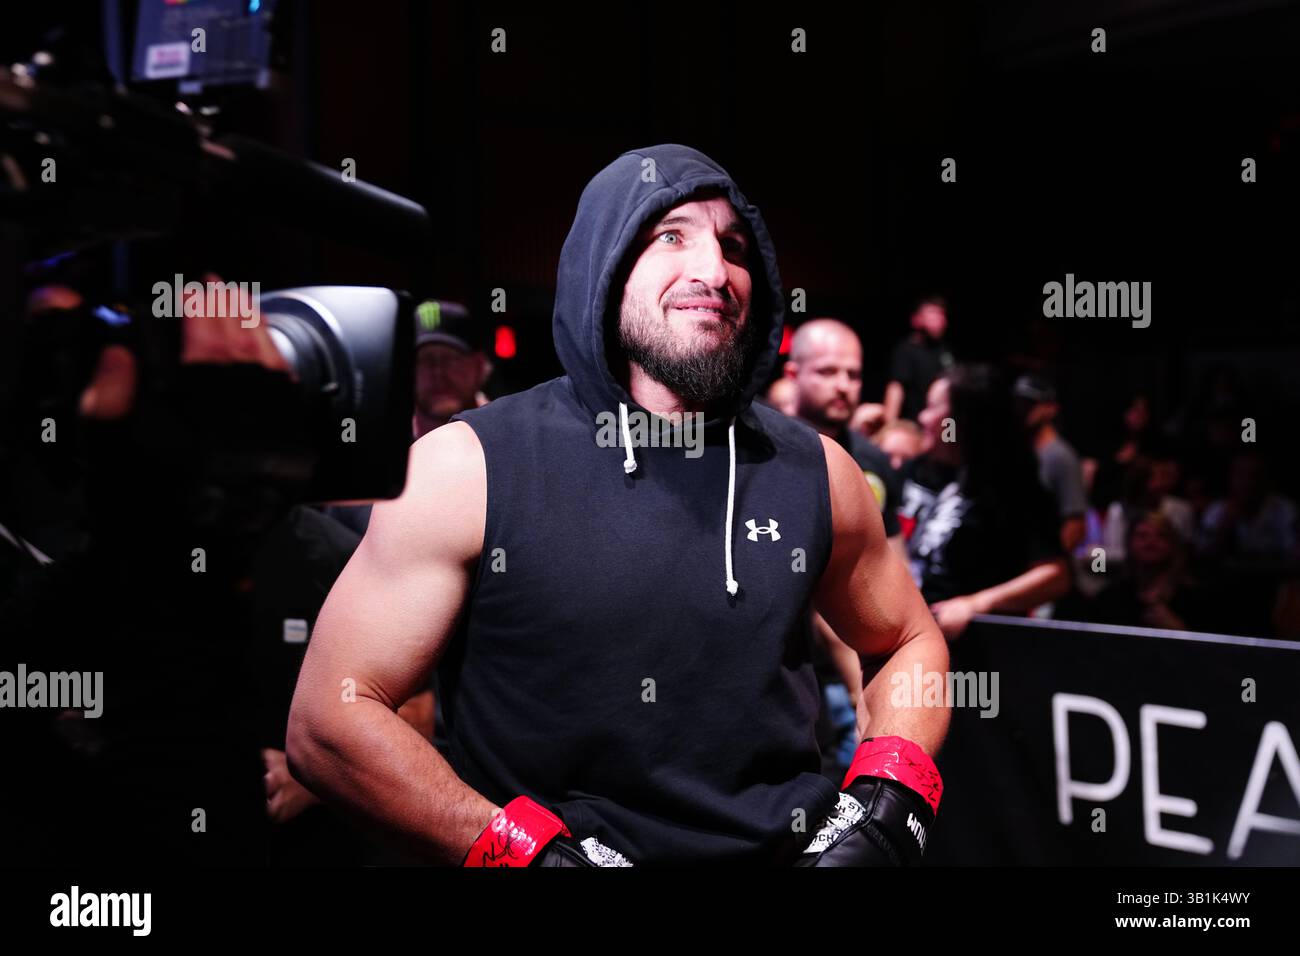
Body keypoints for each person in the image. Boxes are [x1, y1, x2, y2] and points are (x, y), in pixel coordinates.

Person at [287, 145, 950, 867]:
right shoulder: (468, 465)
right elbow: (330, 719)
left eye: (733, 247)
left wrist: (890, 807)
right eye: (670, 237)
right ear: (602, 268)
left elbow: (908, 641)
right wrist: (521, 855)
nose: (713, 271)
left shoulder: (818, 469)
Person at [780, 317, 906, 779]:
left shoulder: (872, 463)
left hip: (858, 669)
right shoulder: (760, 450)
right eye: (828, 372)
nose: (844, 386)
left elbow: (893, 569)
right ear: (793, 375)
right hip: (784, 672)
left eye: (853, 375)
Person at [899, 364, 1071, 640]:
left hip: (970, 656)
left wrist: (976, 603)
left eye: (933, 408)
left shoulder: (1010, 488)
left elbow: (1055, 576)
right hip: (904, 640)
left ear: (961, 420)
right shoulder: (915, 471)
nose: (922, 416)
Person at [1013, 374, 1088, 553]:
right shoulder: (1020, 452)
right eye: (1019, 403)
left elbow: (1076, 526)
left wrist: (1046, 562)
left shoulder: (1060, 457)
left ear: (1051, 409)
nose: (1023, 409)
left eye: (1031, 404)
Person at [882, 296, 953, 425]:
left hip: (944, 427)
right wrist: (888, 428)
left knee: (950, 441)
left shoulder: (945, 351)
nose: (940, 319)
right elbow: (896, 388)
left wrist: (951, 437)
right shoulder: (906, 350)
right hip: (915, 427)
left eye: (942, 315)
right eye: (933, 313)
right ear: (916, 319)